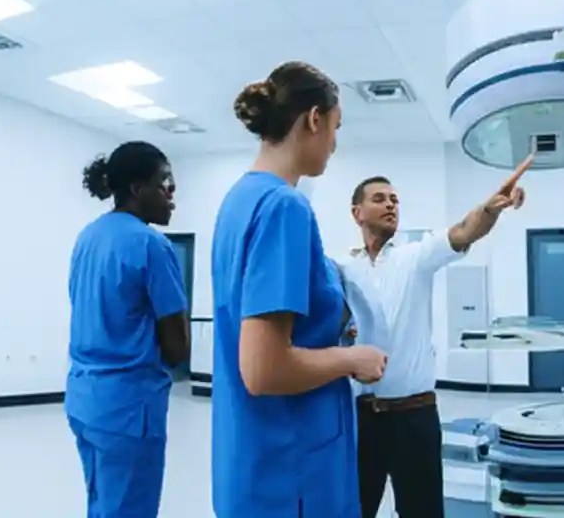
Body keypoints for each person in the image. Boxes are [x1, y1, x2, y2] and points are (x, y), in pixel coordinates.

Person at [211, 61, 389, 518]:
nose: (334, 143)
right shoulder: (284, 207)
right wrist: (352, 359)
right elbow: (264, 369)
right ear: (314, 119)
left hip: (253, 457)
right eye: (335, 127)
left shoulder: (239, 200)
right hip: (292, 470)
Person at [344, 157, 532, 518]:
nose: (391, 205)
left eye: (395, 200)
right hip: (362, 419)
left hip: (414, 417)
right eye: (379, 199)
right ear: (357, 213)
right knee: (355, 509)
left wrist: (491, 209)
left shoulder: (415, 257)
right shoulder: (344, 268)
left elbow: (463, 231)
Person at [64, 141, 190, 518]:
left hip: (84, 400)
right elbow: (177, 348)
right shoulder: (151, 244)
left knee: (102, 505)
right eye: (164, 182)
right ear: (137, 189)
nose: (172, 193)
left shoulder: (88, 237)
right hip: (128, 410)